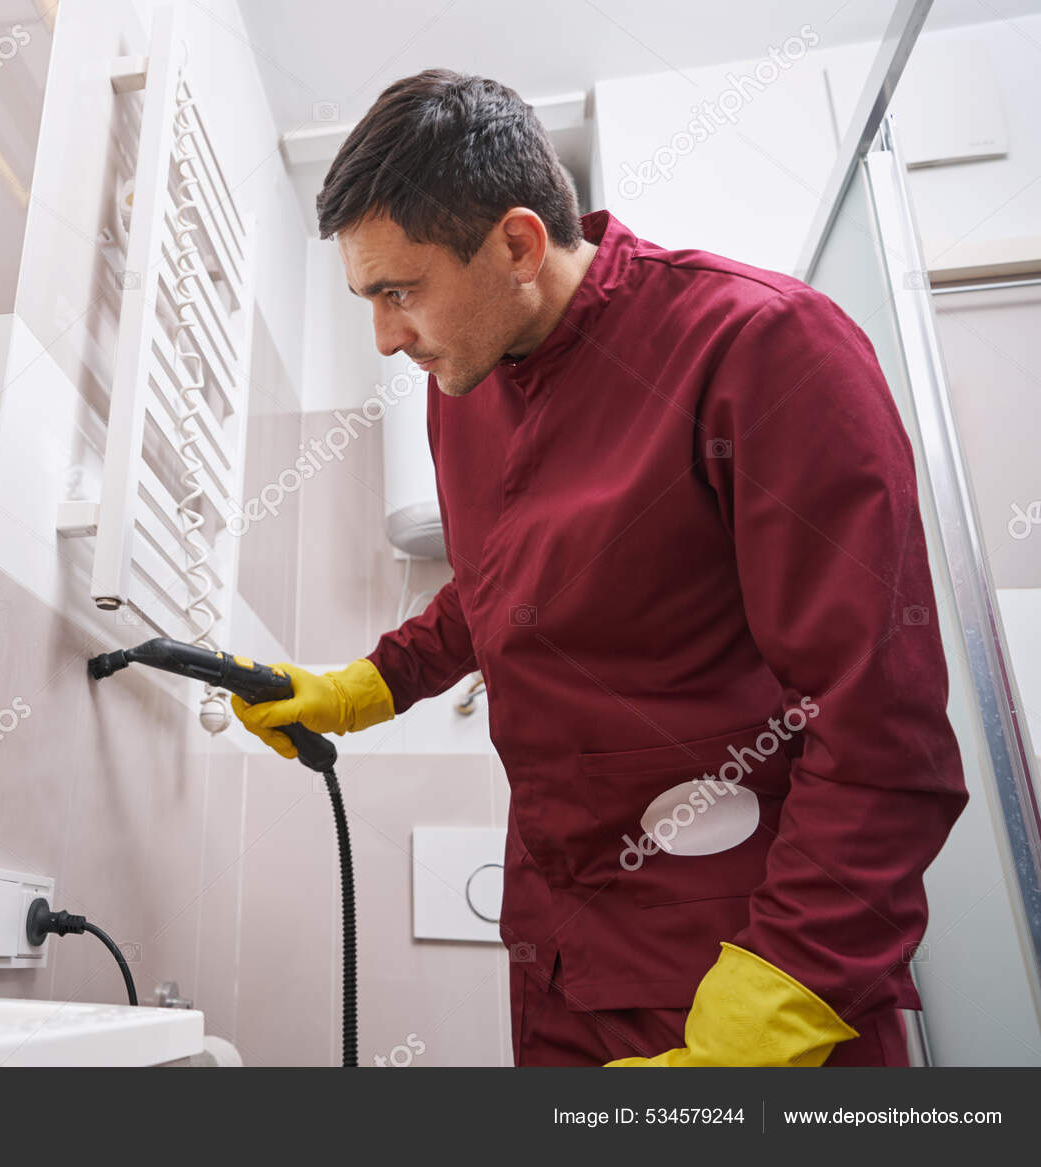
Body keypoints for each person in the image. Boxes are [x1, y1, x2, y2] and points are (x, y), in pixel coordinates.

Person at [230, 69, 967, 1067]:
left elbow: (882, 724)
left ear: (518, 244)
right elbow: (498, 586)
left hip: (743, 969)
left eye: (398, 292)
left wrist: (775, 1002)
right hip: (556, 965)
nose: (387, 336)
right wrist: (367, 685)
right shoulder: (467, 388)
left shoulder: (759, 349)